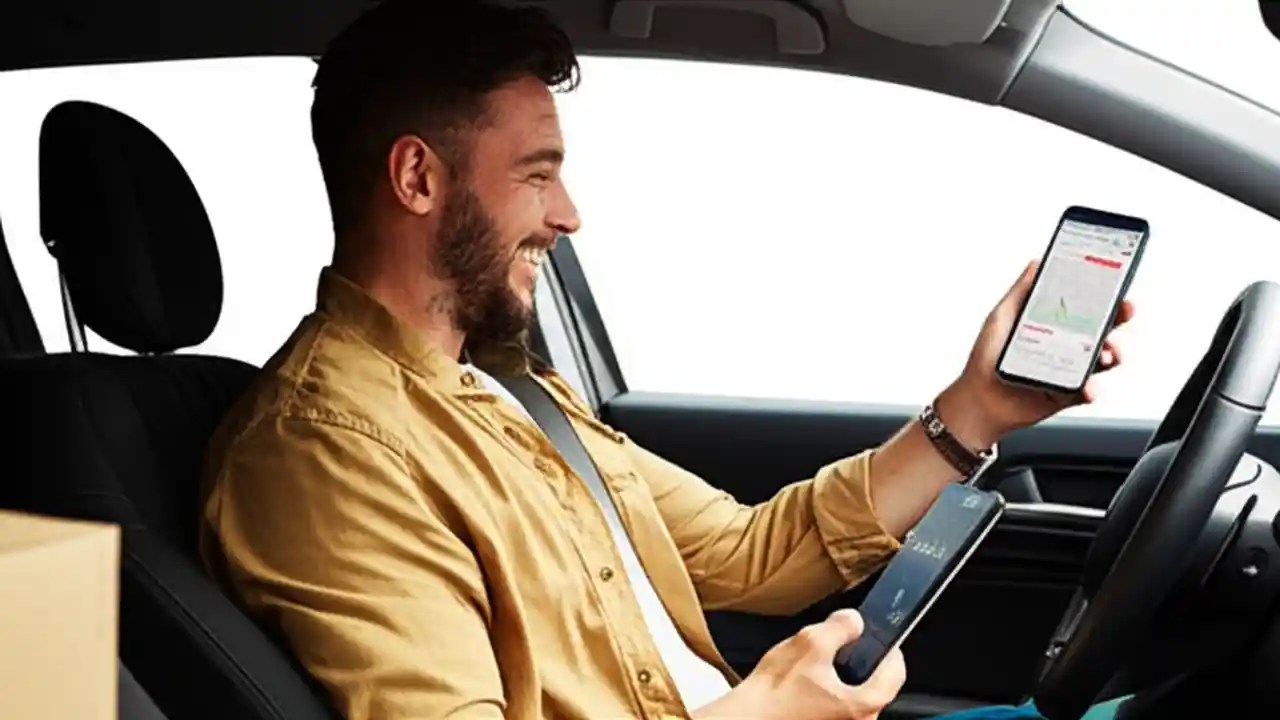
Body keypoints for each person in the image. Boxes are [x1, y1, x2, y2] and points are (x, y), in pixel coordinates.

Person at [197, 1, 1134, 719]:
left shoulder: (505, 388)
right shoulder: (324, 452)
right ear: (416, 178)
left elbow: (747, 552)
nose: (568, 214)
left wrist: (977, 408)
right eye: (536, 173)